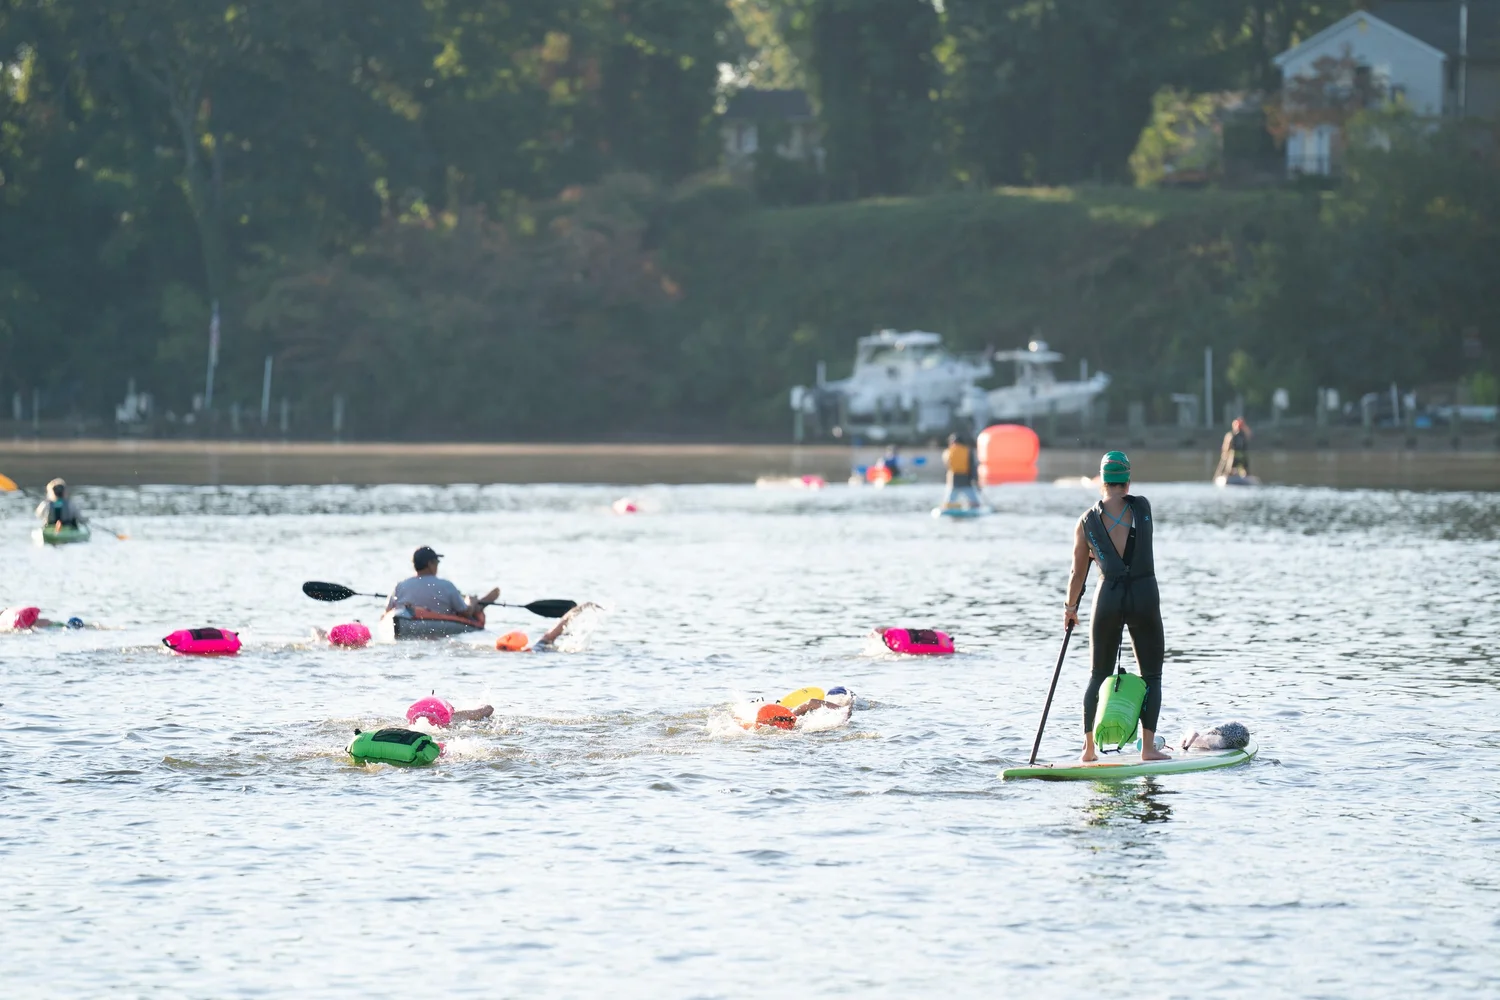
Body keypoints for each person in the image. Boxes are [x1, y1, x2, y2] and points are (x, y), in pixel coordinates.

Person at [1063, 451, 1169, 763]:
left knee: (1098, 675)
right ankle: (1147, 749)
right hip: (1144, 595)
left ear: (1102, 481)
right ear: (1128, 481)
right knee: (1151, 676)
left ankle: (1089, 750)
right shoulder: (1143, 507)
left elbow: (1077, 573)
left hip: (1107, 596)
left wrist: (1070, 609)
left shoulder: (1086, 522)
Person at [386, 547, 497, 623]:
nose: (437, 566)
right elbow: (466, 613)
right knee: (473, 606)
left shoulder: (400, 586)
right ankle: (481, 601)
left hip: (408, 621)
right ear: (430, 564)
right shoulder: (446, 586)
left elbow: (388, 611)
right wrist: (471, 602)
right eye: (437, 562)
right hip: (434, 624)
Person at [940, 432, 982, 508]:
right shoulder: (968, 451)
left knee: (949, 502)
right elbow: (972, 467)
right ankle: (973, 506)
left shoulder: (947, 452)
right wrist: (975, 480)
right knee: (975, 503)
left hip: (953, 480)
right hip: (966, 480)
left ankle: (948, 506)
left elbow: (947, 466)